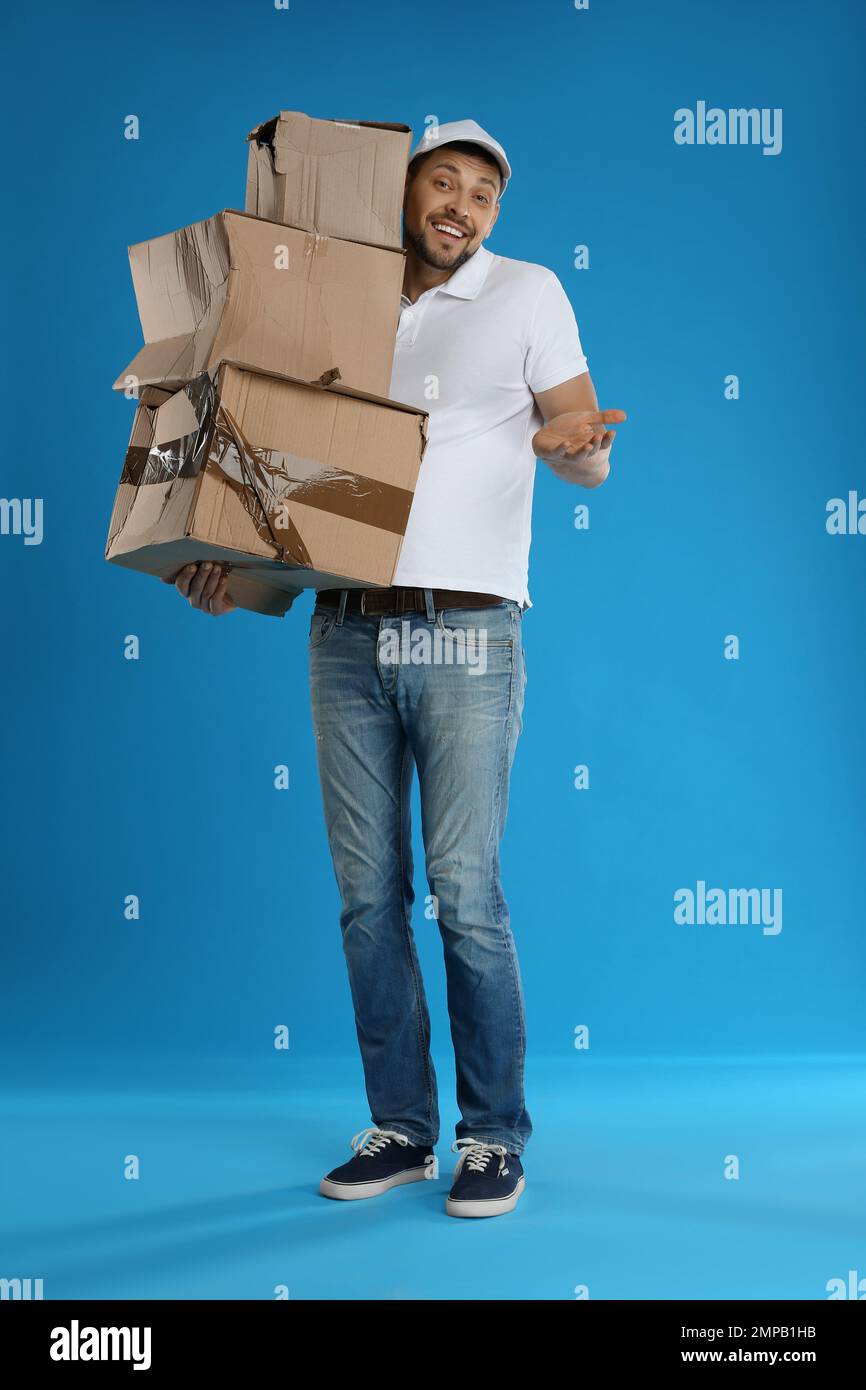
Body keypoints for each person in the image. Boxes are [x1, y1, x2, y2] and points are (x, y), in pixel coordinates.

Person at [164, 119, 626, 1219]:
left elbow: (584, 443)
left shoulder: (528, 293)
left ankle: (491, 1136)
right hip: (343, 629)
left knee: (463, 890)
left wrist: (578, 452)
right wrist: (228, 565)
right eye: (443, 183)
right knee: (365, 898)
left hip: (468, 633)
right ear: (402, 194)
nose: (462, 205)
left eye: (482, 192)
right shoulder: (343, 302)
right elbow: (294, 472)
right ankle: (401, 1126)